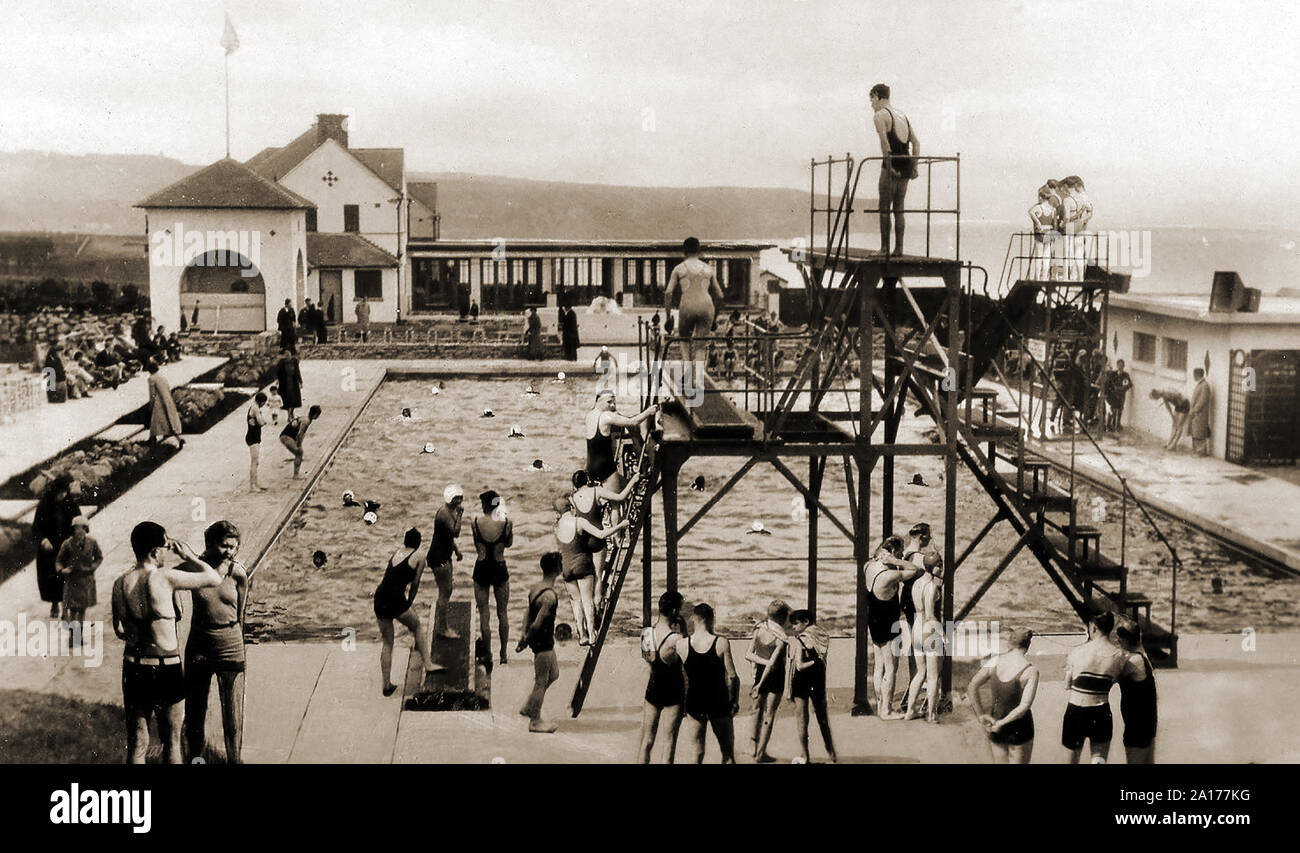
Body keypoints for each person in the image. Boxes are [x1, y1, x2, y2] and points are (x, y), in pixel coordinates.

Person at [111, 522, 221, 763]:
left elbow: (119, 629)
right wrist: (189, 556)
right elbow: (214, 578)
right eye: (164, 547)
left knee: (137, 743)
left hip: (134, 665)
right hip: (165, 666)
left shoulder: (120, 583)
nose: (166, 553)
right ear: (154, 551)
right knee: (171, 741)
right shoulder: (165, 578)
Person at [184, 520, 251, 762]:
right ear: (211, 543)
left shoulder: (238, 573)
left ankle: (234, 760)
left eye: (234, 547)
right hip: (199, 645)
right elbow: (167, 581)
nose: (229, 552)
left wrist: (238, 645)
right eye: (224, 546)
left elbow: (240, 616)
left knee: (233, 716)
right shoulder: (195, 570)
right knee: (195, 712)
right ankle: (194, 758)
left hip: (230, 645)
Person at [374, 528, 443, 697]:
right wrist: (409, 603)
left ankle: (386, 684)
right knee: (417, 626)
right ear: (418, 543)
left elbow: (390, 578)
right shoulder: (419, 556)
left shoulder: (396, 553)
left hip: (380, 598)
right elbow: (415, 584)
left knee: (388, 642)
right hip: (395, 600)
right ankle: (428, 664)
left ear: (405, 541)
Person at [553, 495, 628, 646]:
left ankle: (582, 636)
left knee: (575, 602)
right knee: (587, 601)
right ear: (571, 508)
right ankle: (592, 634)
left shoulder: (556, 527)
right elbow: (600, 534)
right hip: (582, 565)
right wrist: (620, 526)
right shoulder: (578, 522)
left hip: (566, 567)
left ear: (557, 512)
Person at [865, 535, 924, 717]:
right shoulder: (890, 575)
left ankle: (880, 703)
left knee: (879, 666)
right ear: (892, 552)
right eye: (899, 553)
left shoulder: (868, 566)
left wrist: (888, 558)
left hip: (873, 619)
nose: (900, 557)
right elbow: (914, 569)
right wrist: (894, 560)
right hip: (887, 622)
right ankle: (886, 710)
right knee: (891, 668)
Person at [1062, 609, 1129, 764]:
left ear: (1092, 627)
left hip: (1076, 709)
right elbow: (1115, 679)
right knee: (1099, 759)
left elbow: (1067, 684)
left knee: (1072, 759)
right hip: (1100, 710)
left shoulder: (1077, 652)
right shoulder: (1119, 655)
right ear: (1110, 628)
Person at [676, 602, 740, 763]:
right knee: (727, 754)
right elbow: (732, 677)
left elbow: (680, 679)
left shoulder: (682, 645)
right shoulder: (721, 642)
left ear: (693, 619)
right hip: (719, 701)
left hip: (694, 702)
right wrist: (734, 701)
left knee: (697, 754)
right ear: (711, 619)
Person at [966, 626, 1039, 764]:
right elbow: (1024, 706)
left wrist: (981, 715)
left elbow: (972, 687)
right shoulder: (1031, 670)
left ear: (1010, 642)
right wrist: (1002, 723)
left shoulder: (995, 661)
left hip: (995, 722)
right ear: (1028, 645)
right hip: (1020, 727)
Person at [569, 468, 640, 604]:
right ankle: (597, 607)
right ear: (587, 481)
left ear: (574, 484)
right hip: (597, 540)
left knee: (586, 580)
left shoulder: (573, 498)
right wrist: (633, 480)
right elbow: (621, 497)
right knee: (598, 577)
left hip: (582, 541)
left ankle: (589, 613)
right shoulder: (596, 491)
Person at [664, 237, 725, 391]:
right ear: (699, 251)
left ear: (684, 250)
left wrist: (668, 317)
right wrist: (715, 318)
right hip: (707, 306)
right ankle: (698, 381)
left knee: (684, 340)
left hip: (688, 306)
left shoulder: (679, 268)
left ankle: (687, 374)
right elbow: (720, 296)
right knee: (700, 346)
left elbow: (668, 293)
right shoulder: (708, 269)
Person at [584, 389, 657, 513]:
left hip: (591, 467)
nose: (612, 405)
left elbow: (612, 420)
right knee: (615, 505)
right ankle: (616, 532)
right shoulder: (606, 416)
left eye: (614, 403)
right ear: (598, 401)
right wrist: (648, 412)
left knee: (623, 486)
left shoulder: (589, 415)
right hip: (606, 468)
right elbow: (633, 422)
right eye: (609, 402)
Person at [869, 83, 920, 256]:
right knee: (899, 208)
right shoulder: (902, 115)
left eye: (872, 99)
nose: (871, 104)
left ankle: (884, 249)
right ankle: (899, 249)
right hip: (905, 163)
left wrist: (889, 167)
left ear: (878, 96)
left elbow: (885, 143)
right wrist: (914, 167)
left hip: (891, 163)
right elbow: (916, 143)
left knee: (884, 208)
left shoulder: (880, 115)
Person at [638, 590, 686, 764]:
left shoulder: (646, 633)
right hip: (674, 691)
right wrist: (685, 629)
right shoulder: (676, 639)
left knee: (647, 741)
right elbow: (687, 660)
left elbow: (649, 662)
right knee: (669, 741)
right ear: (674, 611)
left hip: (653, 689)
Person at [516, 552, 562, 733]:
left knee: (554, 674)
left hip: (543, 641)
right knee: (542, 681)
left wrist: (522, 633)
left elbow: (527, 613)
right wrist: (526, 641)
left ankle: (530, 705)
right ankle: (534, 721)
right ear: (557, 569)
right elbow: (537, 624)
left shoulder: (536, 589)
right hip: (542, 642)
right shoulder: (549, 597)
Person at [901, 542, 943, 722]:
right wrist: (942, 634)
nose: (942, 569)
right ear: (935, 567)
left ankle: (910, 710)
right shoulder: (931, 587)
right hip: (928, 629)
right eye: (940, 566)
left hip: (916, 627)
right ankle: (932, 715)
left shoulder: (917, 582)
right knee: (933, 676)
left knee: (920, 673)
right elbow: (931, 615)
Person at [787, 609, 836, 763]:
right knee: (823, 718)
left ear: (806, 622)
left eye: (795, 624)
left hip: (801, 681)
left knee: (802, 720)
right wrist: (817, 662)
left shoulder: (800, 639)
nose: (793, 627)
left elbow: (799, 666)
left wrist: (812, 662)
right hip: (818, 681)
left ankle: (805, 756)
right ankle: (832, 754)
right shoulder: (822, 635)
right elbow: (823, 659)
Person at [744, 599, 790, 762]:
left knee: (756, 709)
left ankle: (752, 746)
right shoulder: (781, 637)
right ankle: (760, 753)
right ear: (782, 618)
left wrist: (757, 682)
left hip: (759, 672)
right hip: (774, 675)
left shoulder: (759, 629)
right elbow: (772, 664)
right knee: (769, 714)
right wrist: (761, 682)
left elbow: (749, 654)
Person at [471, 490, 514, 664]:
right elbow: (509, 544)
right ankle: (503, 654)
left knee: (484, 614)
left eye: (482, 503)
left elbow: (477, 544)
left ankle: (488, 653)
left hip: (481, 567)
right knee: (502, 612)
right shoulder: (507, 523)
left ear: (486, 505)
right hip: (499, 566)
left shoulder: (475, 522)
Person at [32, 474, 79, 617]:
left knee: (68, 578)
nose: (63, 495)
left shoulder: (69, 503)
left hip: (66, 546)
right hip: (50, 548)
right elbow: (36, 528)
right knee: (52, 578)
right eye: (60, 493)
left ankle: (67, 608)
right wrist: (43, 540)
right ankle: (54, 604)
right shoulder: (44, 505)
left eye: (64, 493)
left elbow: (78, 520)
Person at [1115, 617, 1157, 764]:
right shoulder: (1142, 656)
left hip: (1137, 727)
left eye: (1119, 639)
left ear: (1125, 640)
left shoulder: (1133, 661)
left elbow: (1111, 675)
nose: (1117, 642)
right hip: (1147, 723)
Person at [428, 484, 466, 640]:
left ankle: (442, 625)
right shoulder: (444, 513)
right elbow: (455, 532)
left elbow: (446, 537)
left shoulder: (448, 511)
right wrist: (460, 516)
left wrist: (456, 550)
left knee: (446, 591)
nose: (460, 501)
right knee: (445, 592)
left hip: (443, 555)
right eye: (457, 498)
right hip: (439, 558)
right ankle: (442, 629)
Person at [55, 515, 102, 641]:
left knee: (81, 609)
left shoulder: (92, 543)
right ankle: (72, 636)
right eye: (77, 529)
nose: (79, 531)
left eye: (82, 528)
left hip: (86, 580)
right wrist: (62, 570)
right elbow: (58, 561)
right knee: (72, 610)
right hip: (72, 581)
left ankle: (78, 636)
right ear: (73, 530)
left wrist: (92, 567)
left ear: (86, 529)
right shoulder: (67, 544)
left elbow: (99, 557)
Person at [146, 360, 184, 449]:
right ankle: (178, 438)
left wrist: (151, 404)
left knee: (156, 420)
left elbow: (152, 393)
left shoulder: (151, 378)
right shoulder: (162, 377)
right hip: (167, 400)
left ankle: (153, 438)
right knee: (169, 420)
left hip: (158, 402)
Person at [279, 404, 321, 479]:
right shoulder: (306, 421)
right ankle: (296, 475)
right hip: (286, 437)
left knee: (299, 453)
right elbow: (300, 434)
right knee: (299, 453)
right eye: (318, 415)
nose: (318, 417)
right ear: (315, 415)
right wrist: (299, 445)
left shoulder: (305, 418)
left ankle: (296, 473)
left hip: (287, 436)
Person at [1028, 186, 1059, 279]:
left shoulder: (1038, 207)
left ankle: (1037, 276)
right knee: (1046, 257)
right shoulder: (1053, 209)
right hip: (1049, 233)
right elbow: (1054, 223)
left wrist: (1037, 222)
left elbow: (1030, 212)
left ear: (1041, 197)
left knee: (1039, 257)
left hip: (1040, 234)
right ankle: (1044, 276)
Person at [245, 392, 269, 492]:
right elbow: (261, 422)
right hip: (252, 437)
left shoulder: (254, 407)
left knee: (256, 462)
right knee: (254, 462)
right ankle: (252, 486)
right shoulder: (255, 408)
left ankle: (255, 483)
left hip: (254, 436)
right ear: (261, 402)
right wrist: (263, 421)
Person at [1189, 367, 1212, 455]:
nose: (1193, 376)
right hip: (1196, 413)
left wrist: (1195, 410)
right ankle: (1196, 451)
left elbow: (1202, 400)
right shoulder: (1200, 384)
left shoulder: (1204, 386)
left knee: (1200, 432)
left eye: (1194, 374)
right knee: (1195, 432)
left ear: (1197, 375)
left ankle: (1201, 452)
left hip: (1200, 413)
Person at [275, 348, 303, 419]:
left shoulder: (294, 361)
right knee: (287, 400)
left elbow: (297, 372)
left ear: (291, 355)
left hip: (294, 383)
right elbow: (278, 372)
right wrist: (278, 380)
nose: (287, 356)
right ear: (284, 355)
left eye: (289, 355)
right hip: (285, 383)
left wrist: (300, 382)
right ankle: (289, 415)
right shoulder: (282, 362)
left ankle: (291, 413)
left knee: (294, 400)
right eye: (286, 355)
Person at [1105, 359, 1132, 431]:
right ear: (1117, 366)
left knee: (1120, 410)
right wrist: (1113, 389)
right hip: (1113, 395)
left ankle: (1118, 424)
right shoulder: (1113, 374)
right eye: (1119, 365)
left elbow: (1128, 385)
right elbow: (1109, 382)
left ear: (1124, 366)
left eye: (1122, 366)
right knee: (1112, 409)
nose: (1120, 367)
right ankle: (1109, 425)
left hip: (1121, 395)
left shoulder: (1125, 375)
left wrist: (1122, 389)